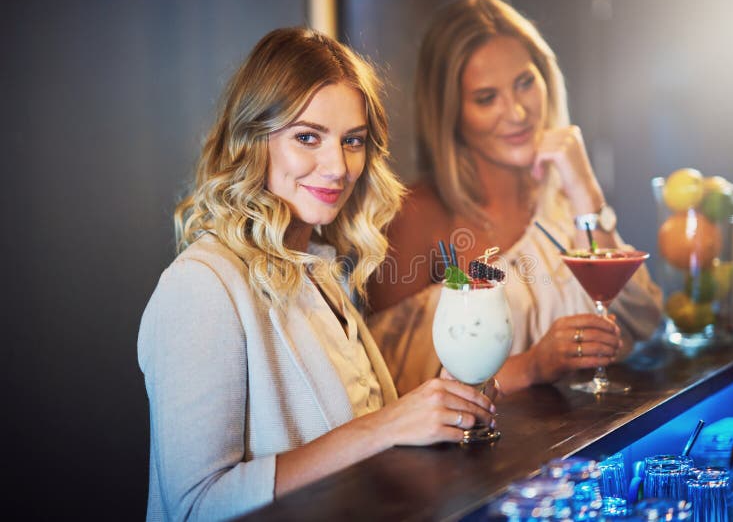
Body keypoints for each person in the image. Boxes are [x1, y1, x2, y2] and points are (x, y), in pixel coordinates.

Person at [137, 27, 496, 521]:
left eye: (353, 141)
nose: (338, 167)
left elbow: (354, 451)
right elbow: (196, 506)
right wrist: (388, 426)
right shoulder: (200, 285)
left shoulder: (323, 271)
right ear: (252, 140)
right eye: (307, 137)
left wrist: (436, 408)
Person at [367, 0, 663, 396]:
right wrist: (531, 366)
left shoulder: (562, 196)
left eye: (525, 83)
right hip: (482, 454)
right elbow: (390, 387)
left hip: (593, 439)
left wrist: (584, 188)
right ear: (451, 113)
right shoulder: (415, 216)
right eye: (487, 98)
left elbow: (639, 318)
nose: (518, 113)